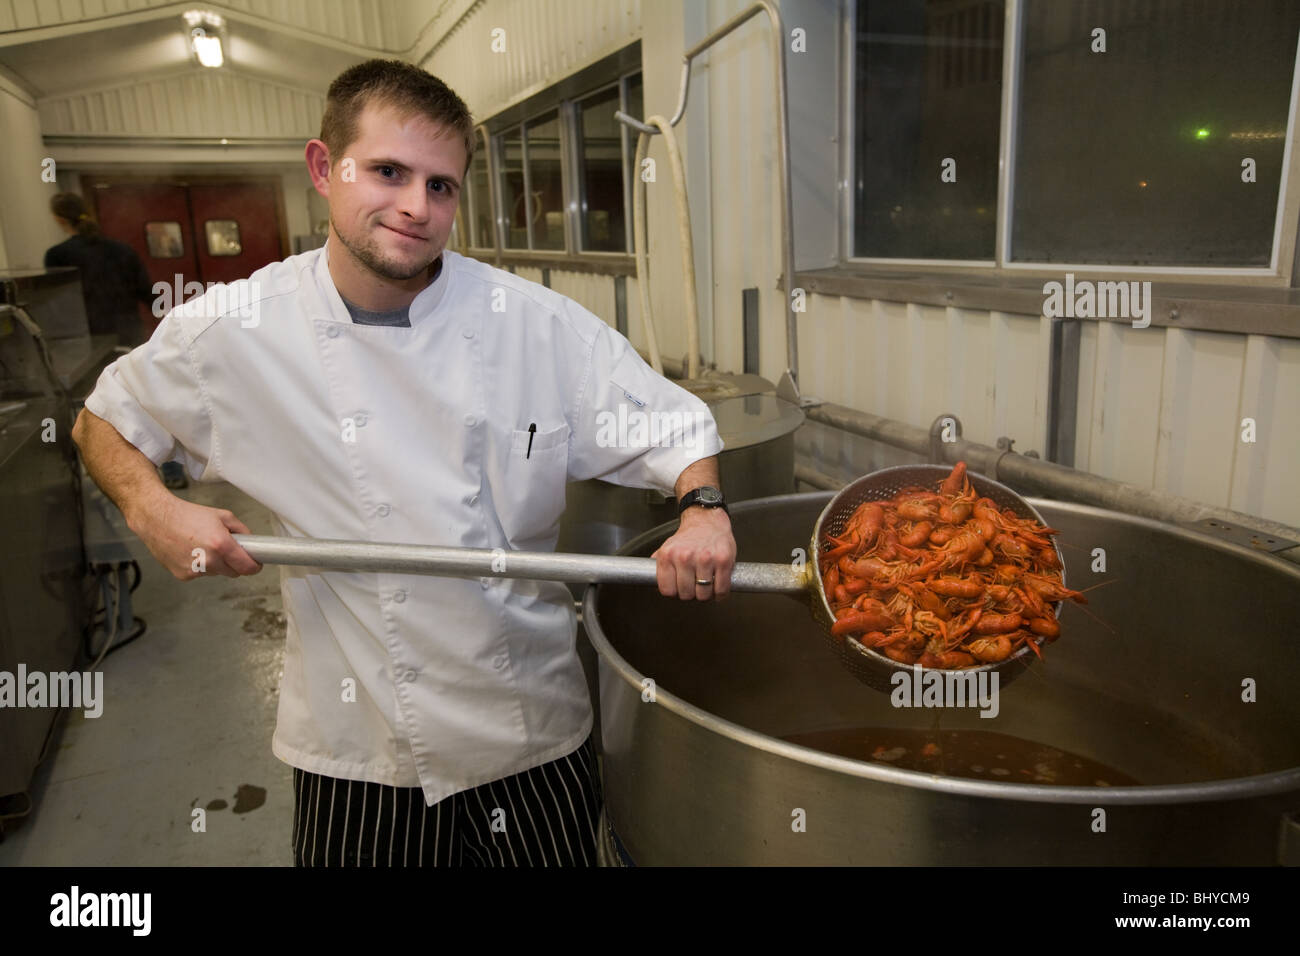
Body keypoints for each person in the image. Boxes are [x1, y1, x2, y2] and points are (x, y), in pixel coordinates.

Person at [70, 59, 737, 867]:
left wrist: (704, 510)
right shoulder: (238, 330)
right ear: (325, 168)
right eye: (388, 171)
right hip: (360, 739)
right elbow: (105, 420)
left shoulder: (534, 325)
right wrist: (155, 510)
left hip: (526, 726)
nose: (417, 207)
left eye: (442, 185)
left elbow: (675, 427)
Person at [46, 193, 189, 490]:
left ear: (59, 219)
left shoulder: (57, 256)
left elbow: (56, 307)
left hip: (86, 345)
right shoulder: (121, 251)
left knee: (99, 413)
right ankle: (173, 472)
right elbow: (148, 294)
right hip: (128, 338)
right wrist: (177, 323)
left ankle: (116, 477)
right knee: (153, 406)